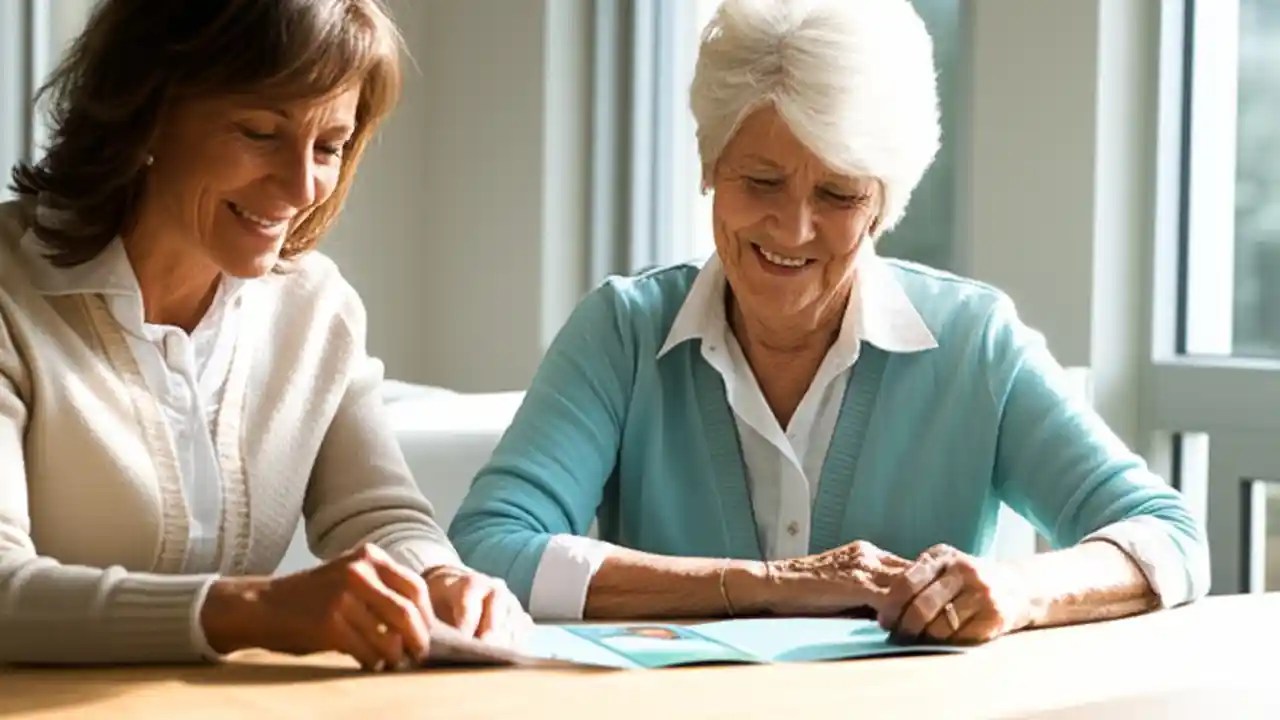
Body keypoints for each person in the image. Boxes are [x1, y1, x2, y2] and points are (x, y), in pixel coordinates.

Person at [450, 0, 1209, 644]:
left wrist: (1019, 591)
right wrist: (768, 586)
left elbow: (1167, 536)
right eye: (761, 180)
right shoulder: (623, 330)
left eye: (840, 194)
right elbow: (487, 550)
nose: (794, 227)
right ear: (709, 165)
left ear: (886, 202)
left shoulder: (978, 344)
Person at [0, 0, 528, 669]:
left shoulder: (317, 308)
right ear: (147, 110)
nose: (303, 184)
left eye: (330, 146)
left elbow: (379, 516)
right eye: (259, 133)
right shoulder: (10, 293)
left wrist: (436, 578)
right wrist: (255, 610)